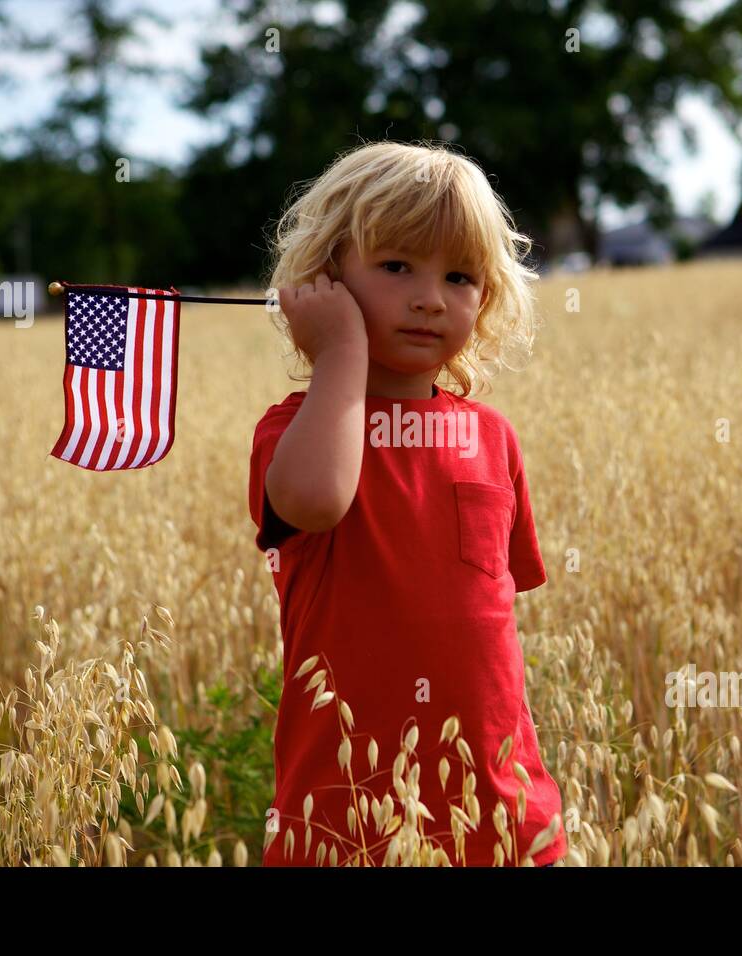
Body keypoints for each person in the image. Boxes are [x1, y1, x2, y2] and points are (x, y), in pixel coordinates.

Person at [249, 140, 565, 867]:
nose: (430, 297)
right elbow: (317, 501)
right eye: (397, 267)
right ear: (325, 278)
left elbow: (495, 628)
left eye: (460, 276)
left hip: (498, 810)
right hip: (344, 816)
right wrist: (339, 357)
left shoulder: (492, 436)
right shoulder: (291, 432)